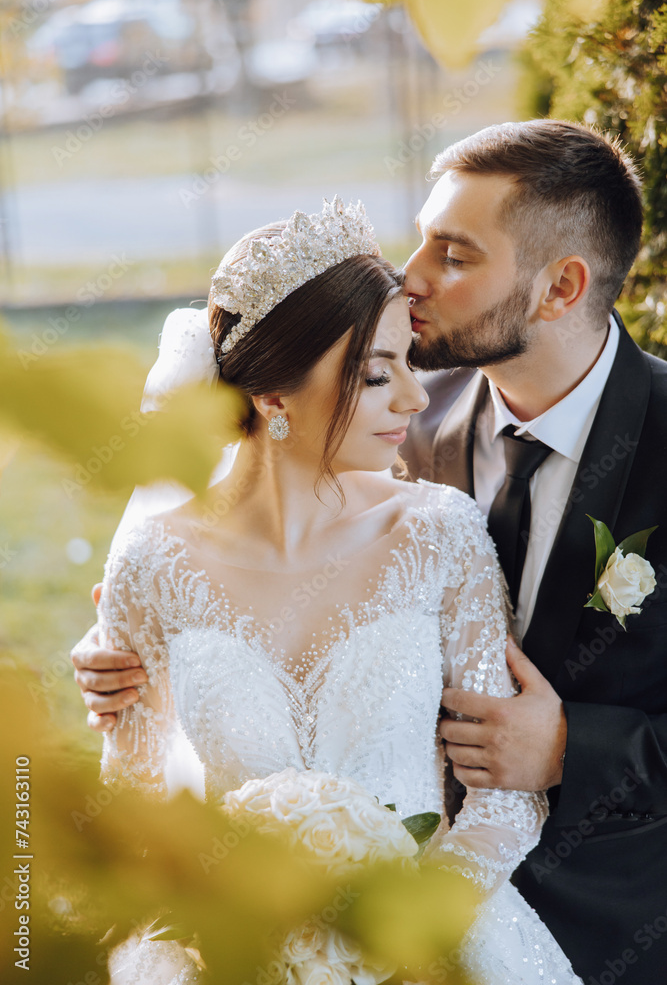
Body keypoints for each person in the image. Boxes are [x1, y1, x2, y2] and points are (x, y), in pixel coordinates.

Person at [74, 198, 582, 984]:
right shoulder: (155, 560)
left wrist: (400, 934)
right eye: (379, 374)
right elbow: (135, 803)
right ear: (273, 397)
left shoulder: (441, 535)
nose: (413, 400)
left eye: (407, 365)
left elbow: (503, 800)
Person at [401, 119, 667, 984]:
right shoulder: (395, 419)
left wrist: (569, 751)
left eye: (453, 254)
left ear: (560, 287)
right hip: (407, 920)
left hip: (621, 935)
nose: (409, 280)